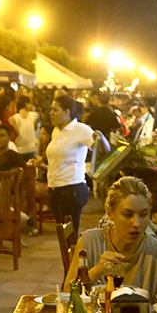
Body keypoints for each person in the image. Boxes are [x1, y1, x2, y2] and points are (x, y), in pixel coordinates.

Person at [64, 176, 157, 295]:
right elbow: (67, 292)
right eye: (128, 215)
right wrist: (97, 271)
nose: (137, 223)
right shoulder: (90, 242)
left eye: (143, 214)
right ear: (110, 213)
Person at [38, 95, 109, 235]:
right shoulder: (56, 131)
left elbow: (103, 149)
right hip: (55, 189)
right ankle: (68, 257)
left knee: (70, 234)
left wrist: (100, 136)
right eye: (50, 110)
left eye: (55, 110)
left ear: (67, 112)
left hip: (72, 190)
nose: (50, 113)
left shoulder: (80, 129)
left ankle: (74, 257)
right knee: (62, 234)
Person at [8, 96, 40, 160]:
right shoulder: (33, 115)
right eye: (30, 103)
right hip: (31, 149)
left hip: (19, 149)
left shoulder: (14, 118)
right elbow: (35, 127)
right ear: (26, 104)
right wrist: (33, 109)